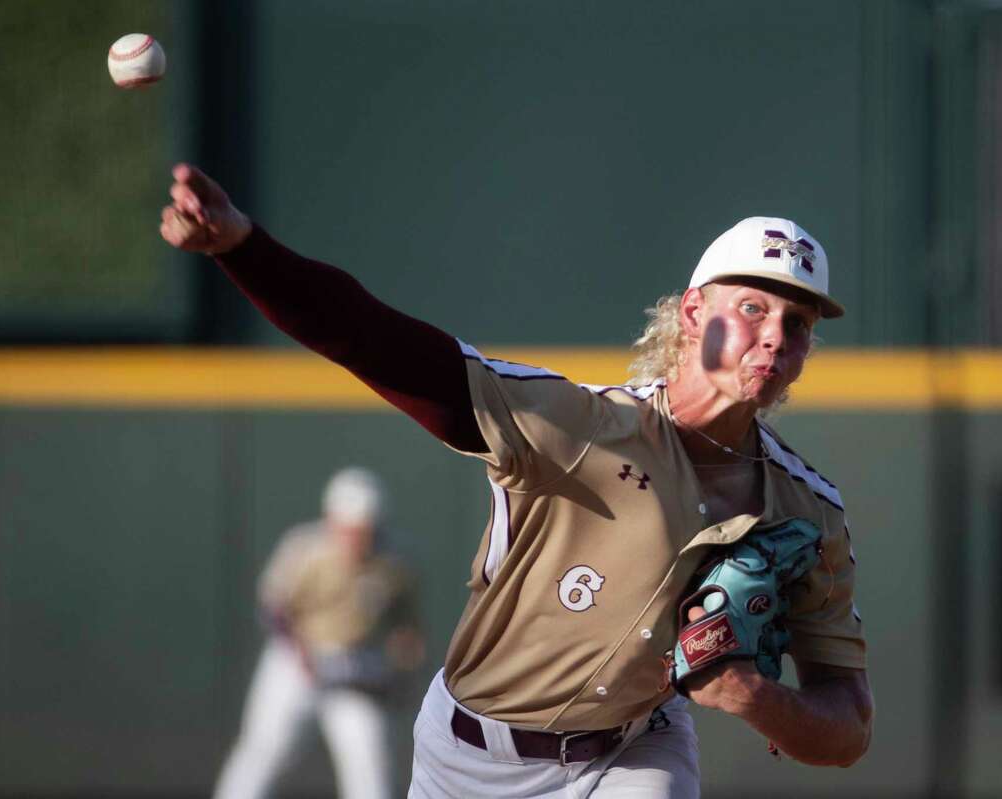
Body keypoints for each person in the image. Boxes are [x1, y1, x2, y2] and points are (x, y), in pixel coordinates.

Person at [163, 163, 873, 799]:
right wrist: (244, 250)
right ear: (693, 313)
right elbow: (376, 339)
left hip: (633, 750)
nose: (775, 336)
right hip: (468, 756)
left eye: (797, 323)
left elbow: (848, 728)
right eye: (752, 308)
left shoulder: (807, 511)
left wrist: (754, 697)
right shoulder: (582, 425)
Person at [213, 467, 423, 799]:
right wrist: (301, 653)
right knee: (264, 750)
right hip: (296, 661)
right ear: (332, 520)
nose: (354, 537)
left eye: (362, 529)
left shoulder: (394, 561)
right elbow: (274, 610)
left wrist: (401, 668)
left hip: (355, 667)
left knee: (368, 764)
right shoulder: (305, 548)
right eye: (348, 528)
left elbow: (405, 628)